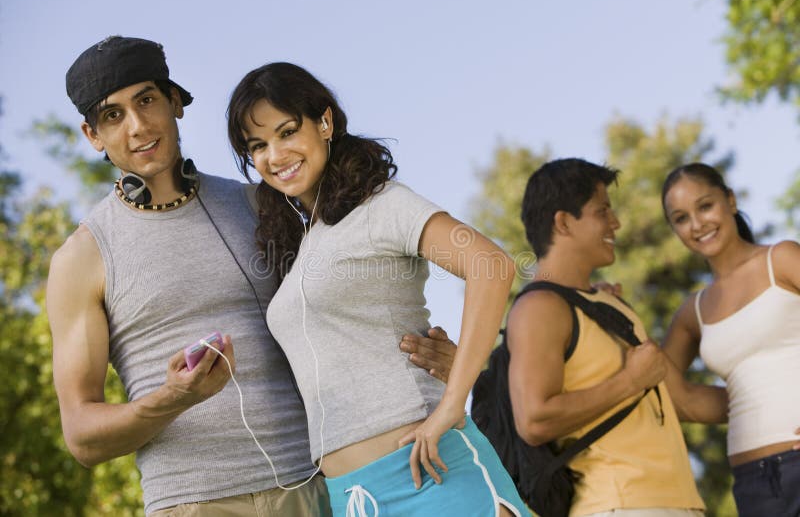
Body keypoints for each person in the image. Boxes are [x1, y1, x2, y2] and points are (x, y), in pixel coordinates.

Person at [48, 35, 455, 516]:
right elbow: (81, 437)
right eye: (113, 115)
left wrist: (450, 359)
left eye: (147, 100)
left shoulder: (261, 205)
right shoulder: (82, 257)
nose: (137, 126)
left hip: (319, 486)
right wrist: (170, 399)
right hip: (196, 501)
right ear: (93, 135)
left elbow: (342, 306)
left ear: (175, 102)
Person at [226, 61, 529, 516]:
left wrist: (451, 403)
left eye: (287, 132)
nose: (275, 154)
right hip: (354, 495)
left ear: (325, 122)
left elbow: (491, 265)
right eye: (259, 145)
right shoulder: (306, 243)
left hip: (432, 474)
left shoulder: (382, 203)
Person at [506, 158, 707, 517]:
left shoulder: (610, 305)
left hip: (676, 502)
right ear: (563, 222)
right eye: (602, 211)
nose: (615, 222)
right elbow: (534, 420)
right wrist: (630, 380)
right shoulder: (539, 308)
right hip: (617, 504)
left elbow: (687, 401)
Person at [660, 162, 800, 517]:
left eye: (705, 206)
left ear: (731, 201)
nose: (697, 224)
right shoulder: (694, 312)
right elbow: (668, 395)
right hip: (754, 482)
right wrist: (607, 305)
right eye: (681, 218)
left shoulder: (781, 260)